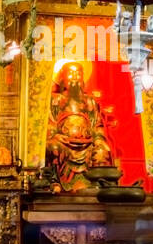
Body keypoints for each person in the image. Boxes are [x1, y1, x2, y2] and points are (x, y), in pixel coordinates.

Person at [45, 62, 113, 192]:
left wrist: (98, 139)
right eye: (71, 73)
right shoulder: (55, 100)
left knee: (101, 150)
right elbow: (50, 122)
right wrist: (55, 135)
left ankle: (98, 183)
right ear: (62, 78)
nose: (75, 76)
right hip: (63, 142)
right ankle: (54, 182)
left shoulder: (90, 101)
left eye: (79, 73)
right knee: (52, 147)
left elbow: (97, 124)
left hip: (87, 142)